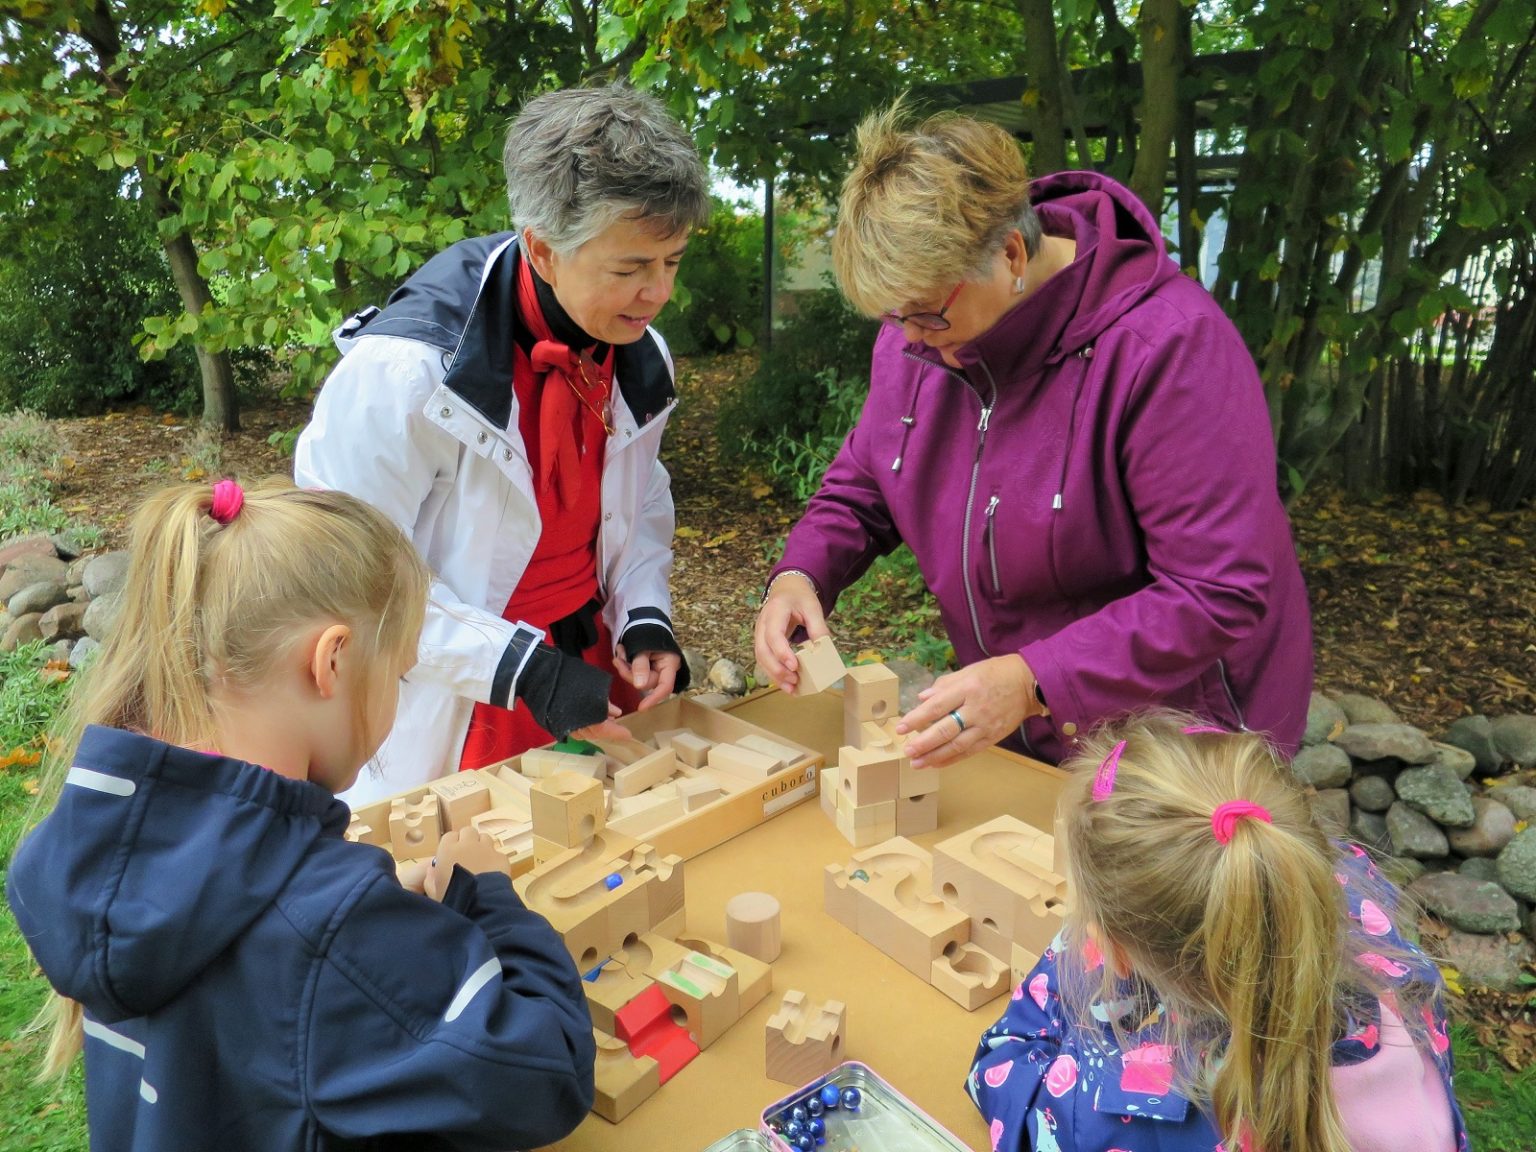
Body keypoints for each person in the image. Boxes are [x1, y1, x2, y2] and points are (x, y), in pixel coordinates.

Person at [6, 479, 596, 1152]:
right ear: (332, 661)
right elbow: (543, 1074)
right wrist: (489, 898)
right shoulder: (330, 926)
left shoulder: (87, 845)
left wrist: (363, 911)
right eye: (398, 676)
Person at [754, 103, 1313, 770]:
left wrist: (1036, 678)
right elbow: (867, 480)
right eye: (893, 316)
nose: (908, 340)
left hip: (1176, 752)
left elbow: (1216, 589)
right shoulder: (925, 337)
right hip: (1028, 721)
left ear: (1012, 254)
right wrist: (800, 574)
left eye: (926, 314)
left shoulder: (1166, 347)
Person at [296, 83, 711, 804]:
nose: (657, 294)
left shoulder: (644, 355)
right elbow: (351, 581)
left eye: (671, 261)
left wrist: (645, 616)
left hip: (583, 672)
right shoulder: (403, 374)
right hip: (455, 695)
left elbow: (639, 503)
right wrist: (524, 669)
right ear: (543, 251)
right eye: (630, 269)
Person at [968, 713, 1466, 1152]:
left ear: (1116, 952)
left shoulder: (1115, 1111)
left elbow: (1001, 1068)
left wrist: (1072, 951)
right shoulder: (1383, 950)